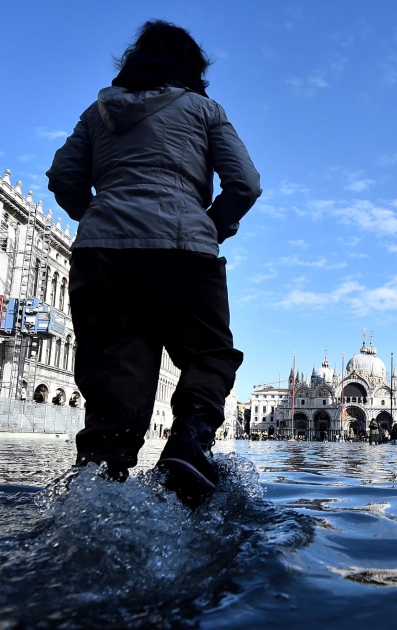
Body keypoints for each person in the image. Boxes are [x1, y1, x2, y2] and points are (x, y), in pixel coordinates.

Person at [47, 20, 261, 507]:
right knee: (208, 354)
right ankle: (188, 443)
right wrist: (213, 225)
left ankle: (98, 482)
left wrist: (102, 218)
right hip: (183, 249)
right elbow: (245, 184)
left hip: (101, 257)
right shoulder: (205, 110)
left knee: (114, 374)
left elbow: (63, 177)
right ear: (192, 68)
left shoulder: (96, 113)